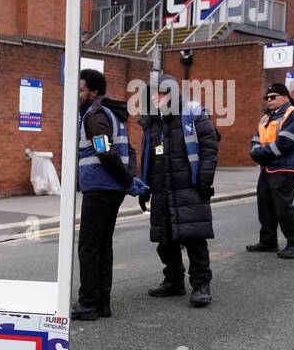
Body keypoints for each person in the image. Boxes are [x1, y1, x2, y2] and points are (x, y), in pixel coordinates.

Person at [73, 68, 148, 320]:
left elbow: (103, 150)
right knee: (103, 247)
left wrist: (127, 181)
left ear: (93, 92)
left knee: (89, 247)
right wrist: (128, 182)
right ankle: (102, 304)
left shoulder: (95, 115)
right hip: (110, 188)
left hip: (100, 188)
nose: (77, 94)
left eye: (80, 89)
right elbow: (127, 150)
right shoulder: (114, 115)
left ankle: (88, 304)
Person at [139, 74, 220, 307]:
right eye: (152, 94)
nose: (155, 98)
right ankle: (173, 281)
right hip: (162, 190)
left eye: (160, 93)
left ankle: (201, 285)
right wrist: (145, 188)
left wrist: (205, 180)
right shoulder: (152, 122)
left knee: (194, 238)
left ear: (172, 94)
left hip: (189, 188)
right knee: (165, 240)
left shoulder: (193, 114)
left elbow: (209, 147)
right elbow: (147, 157)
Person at [247, 83, 294, 258]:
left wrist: (261, 155)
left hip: (286, 167)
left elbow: (286, 142)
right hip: (268, 167)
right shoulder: (265, 118)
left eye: (273, 97)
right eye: (267, 97)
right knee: (265, 205)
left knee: (283, 207)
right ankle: (268, 241)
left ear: (285, 97)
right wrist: (257, 152)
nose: (269, 100)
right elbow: (255, 139)